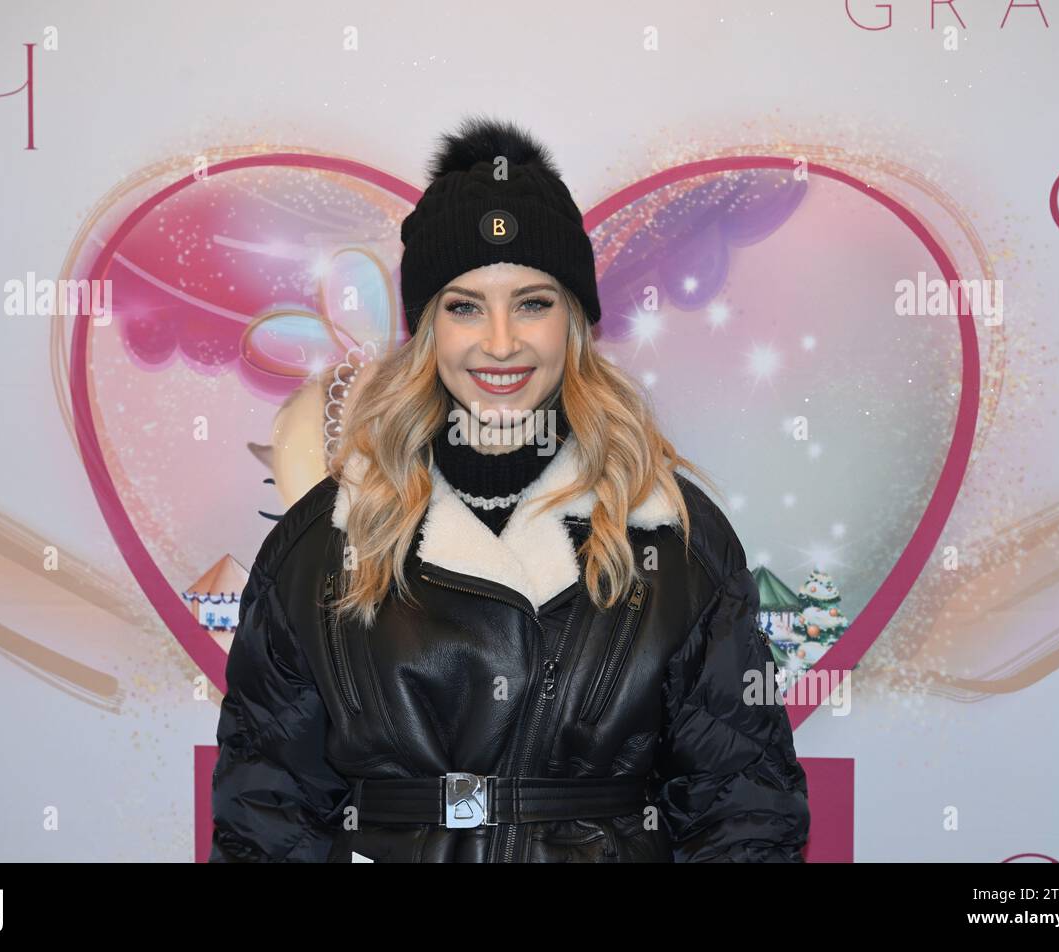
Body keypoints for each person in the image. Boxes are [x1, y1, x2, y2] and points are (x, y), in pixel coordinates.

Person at [208, 115, 811, 863]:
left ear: (575, 323)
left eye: (533, 302)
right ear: (426, 328)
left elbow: (743, 808)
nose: (500, 343)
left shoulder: (676, 538)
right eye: (464, 306)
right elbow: (267, 819)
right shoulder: (321, 543)